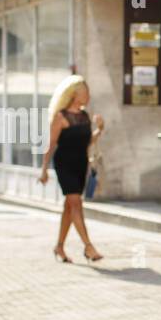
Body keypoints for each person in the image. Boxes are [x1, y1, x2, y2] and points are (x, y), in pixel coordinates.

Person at [39, 76, 105, 263]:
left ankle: (59, 246)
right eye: (85, 92)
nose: (88, 95)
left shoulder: (84, 116)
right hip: (64, 164)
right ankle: (88, 247)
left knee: (69, 207)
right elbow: (51, 144)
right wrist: (44, 170)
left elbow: (87, 142)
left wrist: (99, 129)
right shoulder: (61, 116)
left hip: (80, 164)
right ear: (74, 94)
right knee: (76, 203)